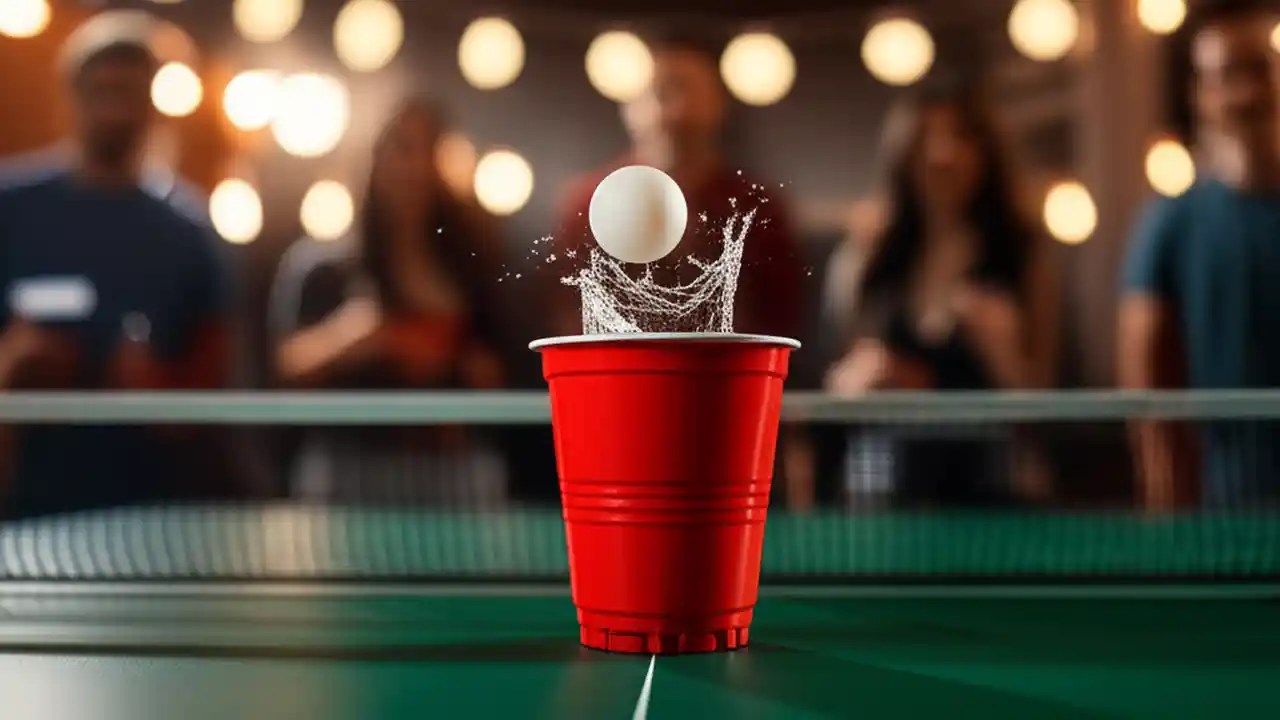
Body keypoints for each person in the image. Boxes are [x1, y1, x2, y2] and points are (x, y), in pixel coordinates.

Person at [0, 11, 231, 517]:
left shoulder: (188, 232)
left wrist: (155, 389)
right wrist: (12, 364)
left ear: (152, 104)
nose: (114, 112)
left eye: (129, 93)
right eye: (100, 92)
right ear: (70, 96)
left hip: (147, 514)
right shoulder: (9, 208)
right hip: (22, 507)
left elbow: (214, 394)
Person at [823, 82, 1059, 506]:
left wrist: (1005, 357)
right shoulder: (868, 257)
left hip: (992, 490)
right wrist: (854, 381)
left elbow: (1047, 407)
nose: (943, 155)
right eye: (926, 138)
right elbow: (836, 380)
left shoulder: (1021, 253)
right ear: (903, 154)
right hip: (886, 489)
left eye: (960, 137)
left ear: (986, 152)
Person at [269, 97, 508, 505]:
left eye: (426, 150)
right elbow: (286, 368)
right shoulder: (320, 267)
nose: (411, 168)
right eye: (400, 149)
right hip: (348, 472)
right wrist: (360, 337)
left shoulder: (475, 267)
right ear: (373, 159)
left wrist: (457, 360)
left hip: (452, 474)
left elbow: (502, 373)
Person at [1120, 0, 1280, 509]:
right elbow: (1145, 393)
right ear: (1202, 94)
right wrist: (1171, 525)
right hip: (1221, 514)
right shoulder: (1169, 224)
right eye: (1229, 74)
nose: (1249, 92)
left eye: (1262, 68)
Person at [551, 34, 803, 338]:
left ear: (719, 104)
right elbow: (565, 309)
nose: (677, 111)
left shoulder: (757, 207)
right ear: (630, 106)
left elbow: (780, 316)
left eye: (691, 92)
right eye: (663, 93)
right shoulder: (586, 203)